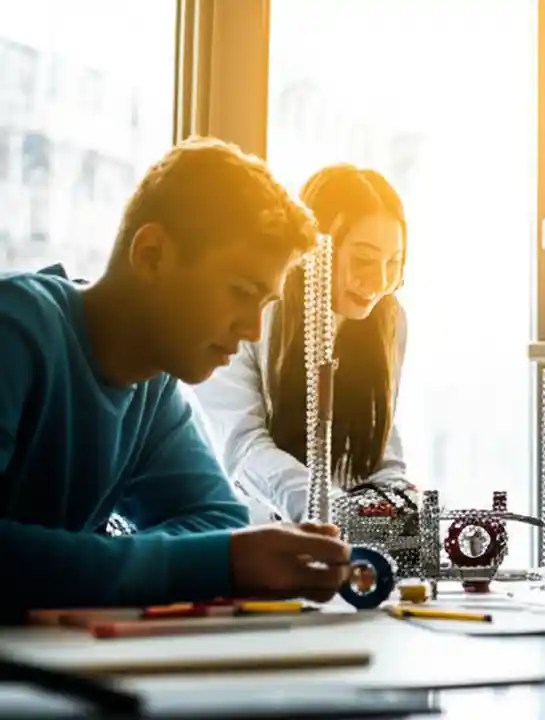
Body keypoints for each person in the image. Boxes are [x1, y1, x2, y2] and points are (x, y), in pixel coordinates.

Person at [0, 137, 351, 616]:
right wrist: (204, 562)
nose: (250, 331)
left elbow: (215, 525)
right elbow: (217, 555)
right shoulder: (15, 329)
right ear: (151, 254)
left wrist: (90, 564)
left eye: (263, 305)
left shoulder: (153, 387)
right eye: (240, 292)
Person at [195, 164, 410, 523]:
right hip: (249, 530)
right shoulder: (254, 313)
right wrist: (334, 512)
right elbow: (243, 448)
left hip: (342, 538)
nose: (380, 281)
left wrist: (398, 505)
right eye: (364, 259)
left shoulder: (388, 320)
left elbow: (379, 439)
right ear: (315, 248)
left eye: (394, 262)